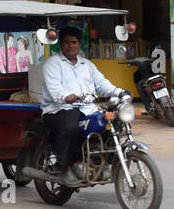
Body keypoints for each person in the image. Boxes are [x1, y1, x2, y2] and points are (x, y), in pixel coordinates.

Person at [41, 26, 122, 186]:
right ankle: (65, 167)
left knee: (112, 124)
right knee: (72, 128)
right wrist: (66, 96)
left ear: (79, 44)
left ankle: (105, 163)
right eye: (66, 42)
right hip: (59, 109)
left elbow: (102, 84)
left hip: (87, 108)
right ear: (61, 44)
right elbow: (55, 88)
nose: (70, 46)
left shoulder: (87, 65)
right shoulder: (52, 64)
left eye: (74, 42)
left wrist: (118, 92)